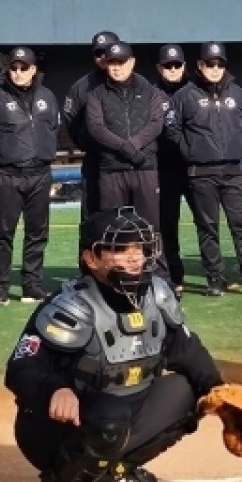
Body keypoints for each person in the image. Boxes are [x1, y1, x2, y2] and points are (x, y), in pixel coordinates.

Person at [5, 207, 227, 482]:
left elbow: (186, 350)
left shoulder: (158, 294)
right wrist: (56, 389)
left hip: (123, 416)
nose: (135, 257)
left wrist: (219, 389)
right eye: (121, 250)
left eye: (139, 248)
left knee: (192, 392)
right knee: (111, 415)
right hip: (58, 430)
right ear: (91, 259)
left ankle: (114, 473)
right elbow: (20, 368)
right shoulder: (70, 306)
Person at [165, 42, 242, 296]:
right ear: (200, 65)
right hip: (201, 173)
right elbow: (172, 129)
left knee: (241, 225)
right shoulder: (185, 95)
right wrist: (190, 151)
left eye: (219, 64)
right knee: (208, 228)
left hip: (233, 170)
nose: (215, 69)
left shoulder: (237, 93)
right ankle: (215, 279)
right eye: (210, 64)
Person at [0, 46, 61, 306]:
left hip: (40, 174)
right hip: (8, 175)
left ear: (34, 69)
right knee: (3, 233)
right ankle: (0, 286)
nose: (19, 72)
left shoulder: (47, 96)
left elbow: (53, 127)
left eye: (24, 68)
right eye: (14, 68)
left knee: (37, 233)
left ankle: (31, 285)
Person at [83, 42, 168, 280]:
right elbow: (96, 128)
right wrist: (125, 148)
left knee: (150, 227)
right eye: (112, 62)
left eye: (121, 62)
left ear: (131, 62)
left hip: (144, 168)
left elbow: (156, 124)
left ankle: (158, 279)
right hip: (111, 171)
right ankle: (113, 279)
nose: (116, 67)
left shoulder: (150, 91)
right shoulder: (96, 95)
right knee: (112, 230)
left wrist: (134, 145)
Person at [63, 30, 119, 221]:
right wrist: (89, 143)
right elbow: (71, 122)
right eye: (98, 53)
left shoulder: (136, 84)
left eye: (107, 51)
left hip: (126, 162)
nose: (102, 57)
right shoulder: (81, 87)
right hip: (95, 161)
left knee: (127, 218)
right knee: (91, 217)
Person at [152, 45, 192, 298]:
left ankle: (215, 274)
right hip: (165, 167)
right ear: (159, 68)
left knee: (206, 222)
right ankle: (174, 275)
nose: (173, 69)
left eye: (177, 64)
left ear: (184, 66)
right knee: (167, 224)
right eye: (168, 65)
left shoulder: (195, 91)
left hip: (194, 165)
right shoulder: (152, 94)